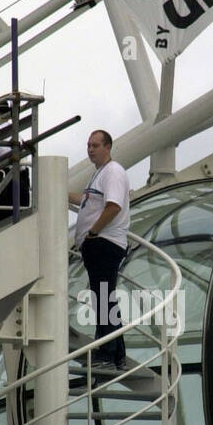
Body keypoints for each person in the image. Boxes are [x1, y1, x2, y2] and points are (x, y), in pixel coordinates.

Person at [70, 130, 130, 373]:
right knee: (104, 297)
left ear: (108, 147)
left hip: (104, 242)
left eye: (95, 145)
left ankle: (107, 353)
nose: (90, 149)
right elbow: (86, 200)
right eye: (88, 145)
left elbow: (113, 206)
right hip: (100, 242)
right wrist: (57, 192)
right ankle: (117, 354)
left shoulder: (113, 172)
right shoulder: (100, 174)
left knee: (103, 297)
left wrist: (93, 232)